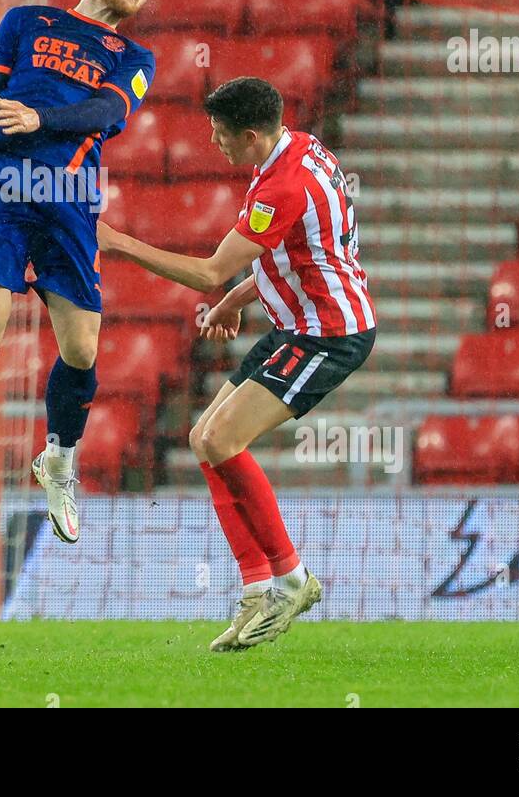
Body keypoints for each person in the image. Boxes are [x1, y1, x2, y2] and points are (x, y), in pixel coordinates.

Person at [97, 76, 376, 651]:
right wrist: (232, 303)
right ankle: (255, 587)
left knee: (222, 441)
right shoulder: (296, 149)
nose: (214, 143)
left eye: (221, 135)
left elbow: (207, 271)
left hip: (328, 333)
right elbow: (300, 254)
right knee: (204, 438)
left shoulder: (282, 186)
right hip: (297, 320)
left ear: (250, 135)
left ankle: (292, 580)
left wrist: (119, 244)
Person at [0, 0, 161, 544]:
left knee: (83, 351)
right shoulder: (25, 21)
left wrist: (41, 119)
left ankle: (57, 462)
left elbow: (101, 117)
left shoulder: (135, 57)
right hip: (3, 190)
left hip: (70, 204)